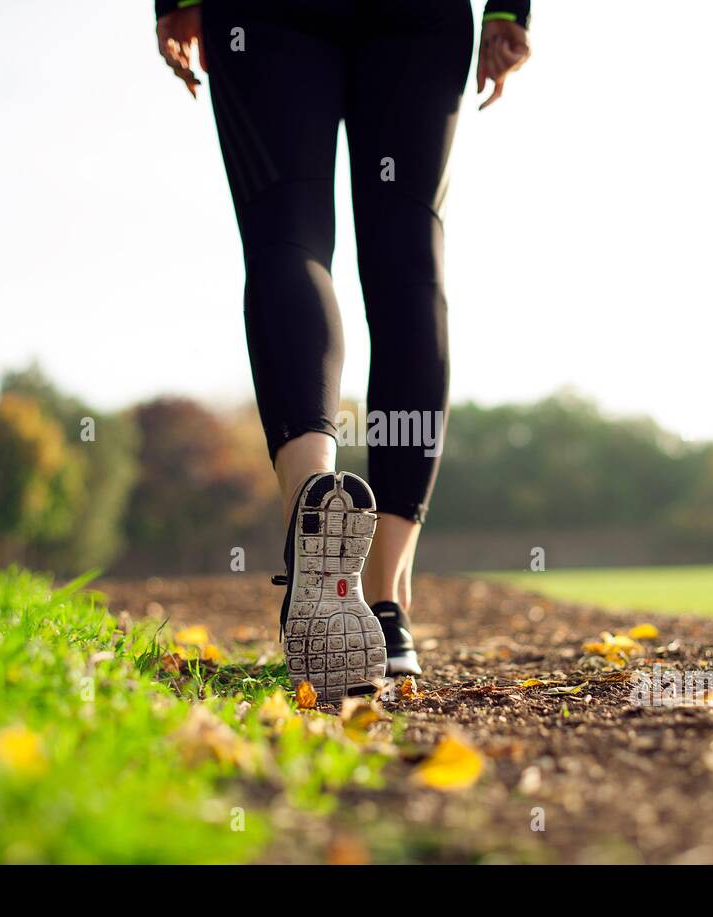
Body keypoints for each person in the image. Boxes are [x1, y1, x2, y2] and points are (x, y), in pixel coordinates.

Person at [154, 0, 530, 702]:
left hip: (267, 19)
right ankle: (384, 603)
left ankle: (313, 511)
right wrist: (512, 10)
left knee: (287, 238)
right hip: (416, 21)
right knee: (408, 269)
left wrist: (173, 3)